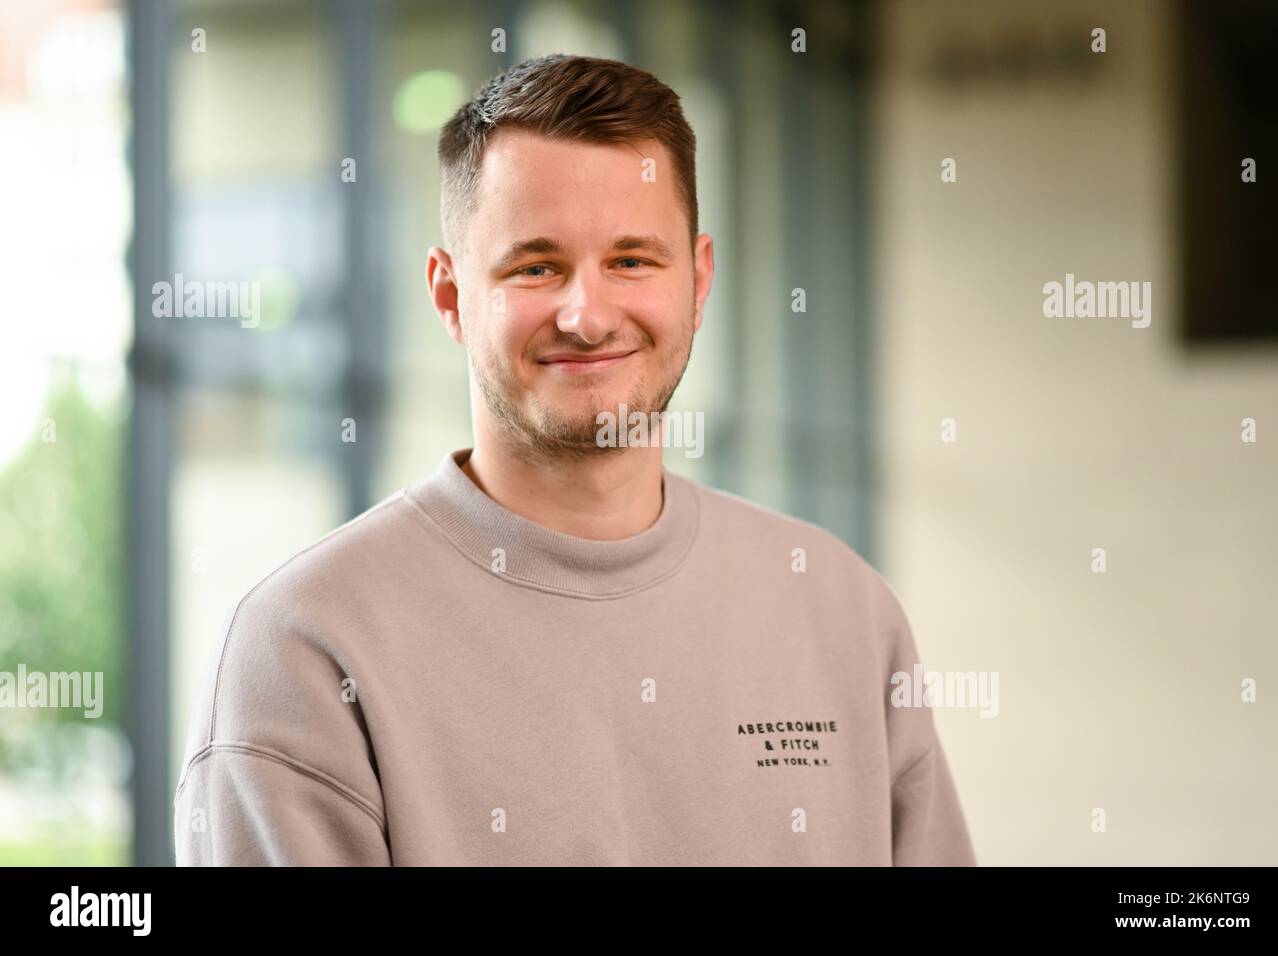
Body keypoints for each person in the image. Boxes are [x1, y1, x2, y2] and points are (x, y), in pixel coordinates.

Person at [173, 53, 976, 866]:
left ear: (697, 281)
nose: (587, 317)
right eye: (536, 267)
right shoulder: (307, 649)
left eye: (631, 260)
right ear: (451, 295)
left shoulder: (841, 608)